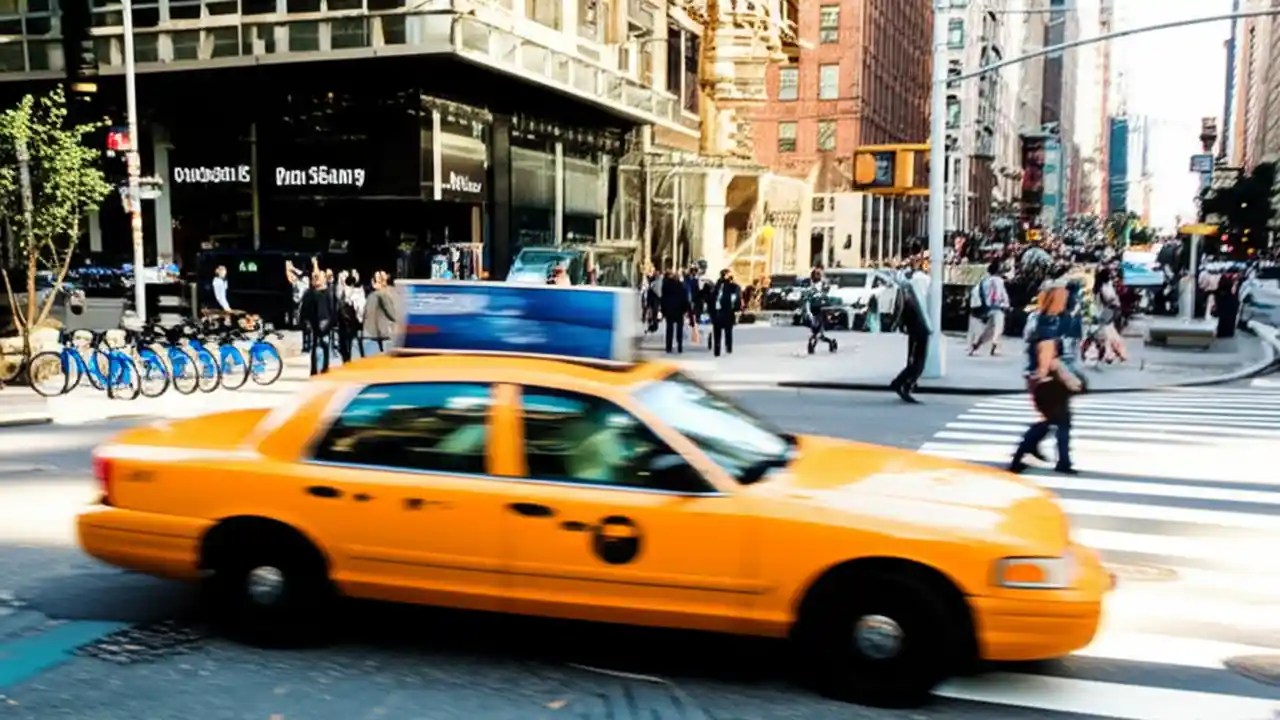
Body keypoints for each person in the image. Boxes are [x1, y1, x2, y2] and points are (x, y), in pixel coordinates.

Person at [1010, 285, 1082, 474]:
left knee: (1055, 420)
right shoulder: (1049, 322)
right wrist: (1066, 377)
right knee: (1056, 420)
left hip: (1040, 376)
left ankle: (1030, 454)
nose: (1068, 302)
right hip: (1048, 378)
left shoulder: (1038, 317)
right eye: (1064, 299)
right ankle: (1024, 456)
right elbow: (1048, 353)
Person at [889, 268, 931, 403]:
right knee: (918, 362)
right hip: (920, 328)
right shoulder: (915, 296)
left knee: (916, 360)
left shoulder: (908, 293)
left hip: (916, 328)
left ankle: (904, 383)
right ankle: (902, 383)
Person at [968, 261, 1010, 355]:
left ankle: (976, 345)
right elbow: (1002, 294)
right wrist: (1006, 305)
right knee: (998, 327)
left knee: (989, 329)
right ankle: (995, 343)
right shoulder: (1000, 281)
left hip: (987, 307)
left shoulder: (984, 281)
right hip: (998, 306)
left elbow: (977, 293)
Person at [299, 271, 334, 376]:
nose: (316, 279)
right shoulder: (309, 293)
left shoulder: (328, 292)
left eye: (318, 277)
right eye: (314, 277)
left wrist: (331, 322)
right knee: (314, 346)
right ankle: (314, 368)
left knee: (325, 344)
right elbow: (304, 309)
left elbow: (332, 309)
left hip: (325, 321)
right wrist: (304, 321)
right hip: (313, 322)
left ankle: (325, 366)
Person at [363, 271, 398, 355]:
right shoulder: (373, 295)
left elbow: (392, 313)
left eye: (381, 279)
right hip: (375, 335)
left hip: (382, 335)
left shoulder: (388, 293)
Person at [710, 269, 742, 357]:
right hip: (727, 312)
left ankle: (719, 349)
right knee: (727, 332)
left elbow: (712, 299)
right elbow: (737, 299)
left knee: (719, 332)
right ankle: (727, 348)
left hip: (720, 312)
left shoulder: (717, 286)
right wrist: (737, 309)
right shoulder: (733, 287)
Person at [659, 268, 690, 353]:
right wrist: (685, 310)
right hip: (679, 310)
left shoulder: (666, 285)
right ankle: (679, 345)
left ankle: (668, 346)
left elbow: (663, 299)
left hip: (669, 310)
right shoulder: (681, 286)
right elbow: (685, 299)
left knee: (669, 329)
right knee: (679, 329)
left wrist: (663, 310)